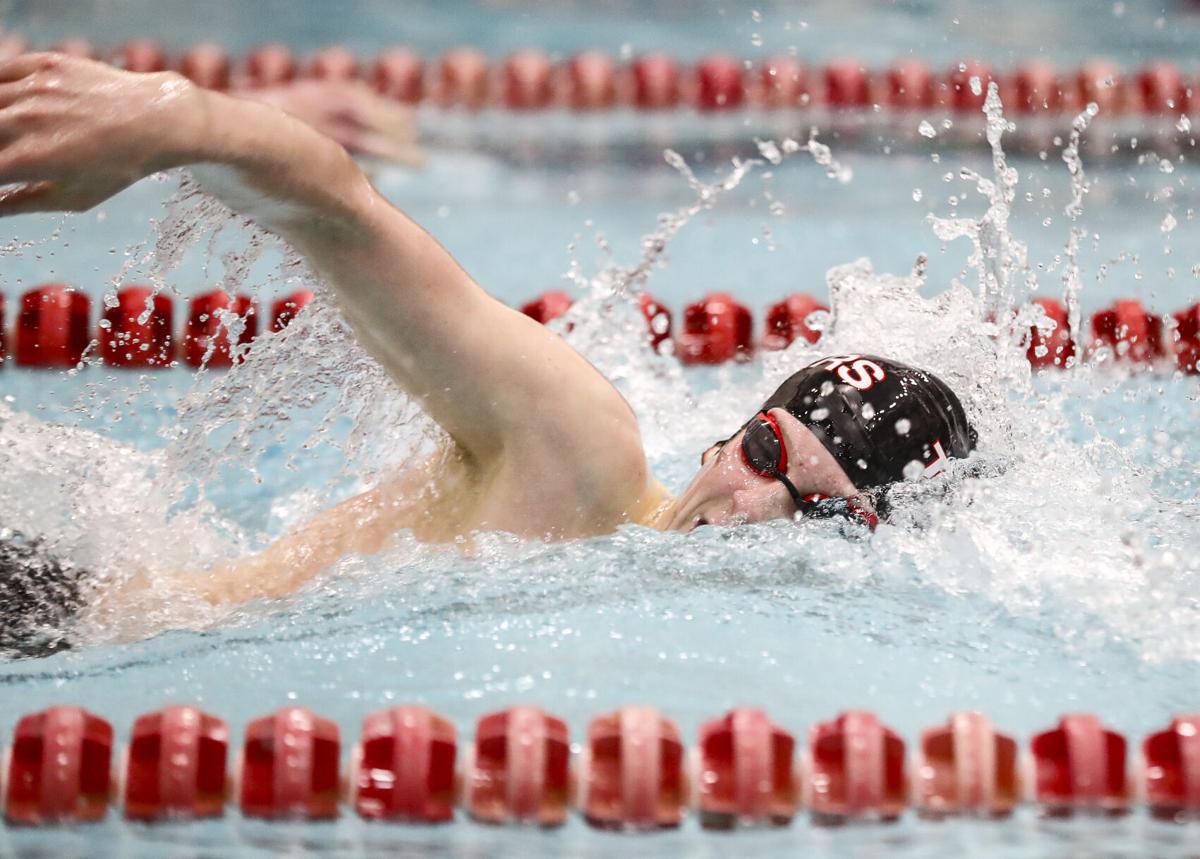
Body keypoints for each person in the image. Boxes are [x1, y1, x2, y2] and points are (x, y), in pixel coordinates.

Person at [0, 53, 976, 623]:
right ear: (731, 434)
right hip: (63, 619)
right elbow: (341, 211)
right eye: (765, 451)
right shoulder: (579, 460)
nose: (753, 504)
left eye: (819, 509)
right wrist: (175, 118)